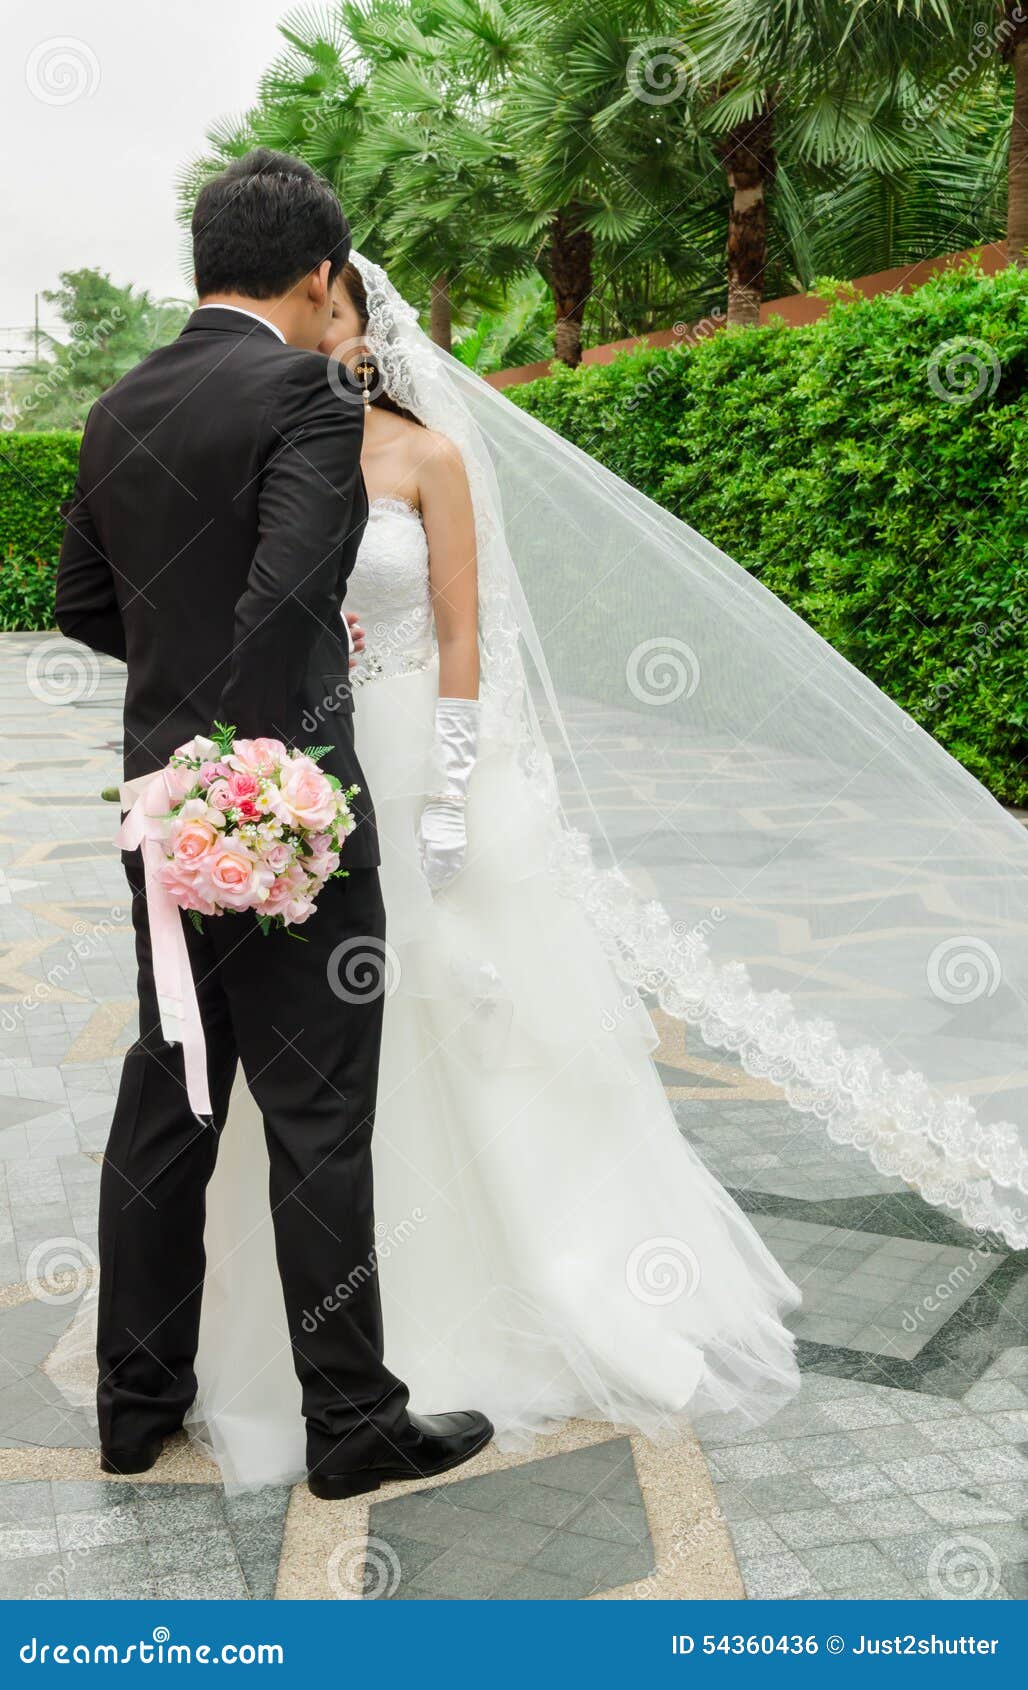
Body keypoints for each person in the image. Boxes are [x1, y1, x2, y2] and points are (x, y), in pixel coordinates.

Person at [54, 150, 492, 1500]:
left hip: (159, 816)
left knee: (171, 1093)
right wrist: (255, 777)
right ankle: (350, 1422)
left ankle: (135, 1406)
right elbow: (295, 586)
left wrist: (183, 741)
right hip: (286, 816)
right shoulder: (309, 388)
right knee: (316, 1116)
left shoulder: (120, 403)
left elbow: (81, 602)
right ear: (318, 277)